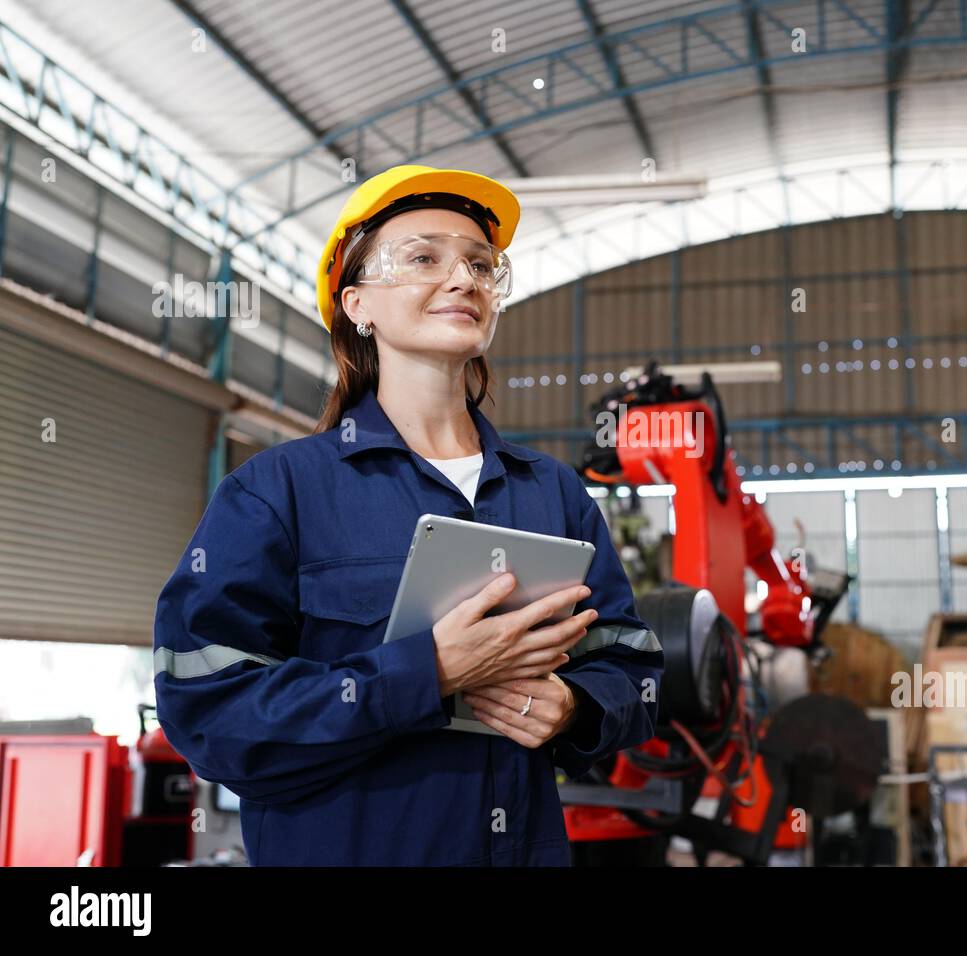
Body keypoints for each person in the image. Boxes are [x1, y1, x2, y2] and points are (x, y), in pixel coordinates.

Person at [152, 164, 664, 866]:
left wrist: (576, 708)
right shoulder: (278, 493)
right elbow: (208, 711)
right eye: (425, 258)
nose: (463, 279)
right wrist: (426, 672)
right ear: (356, 303)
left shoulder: (553, 494)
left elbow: (634, 670)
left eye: (481, 266)